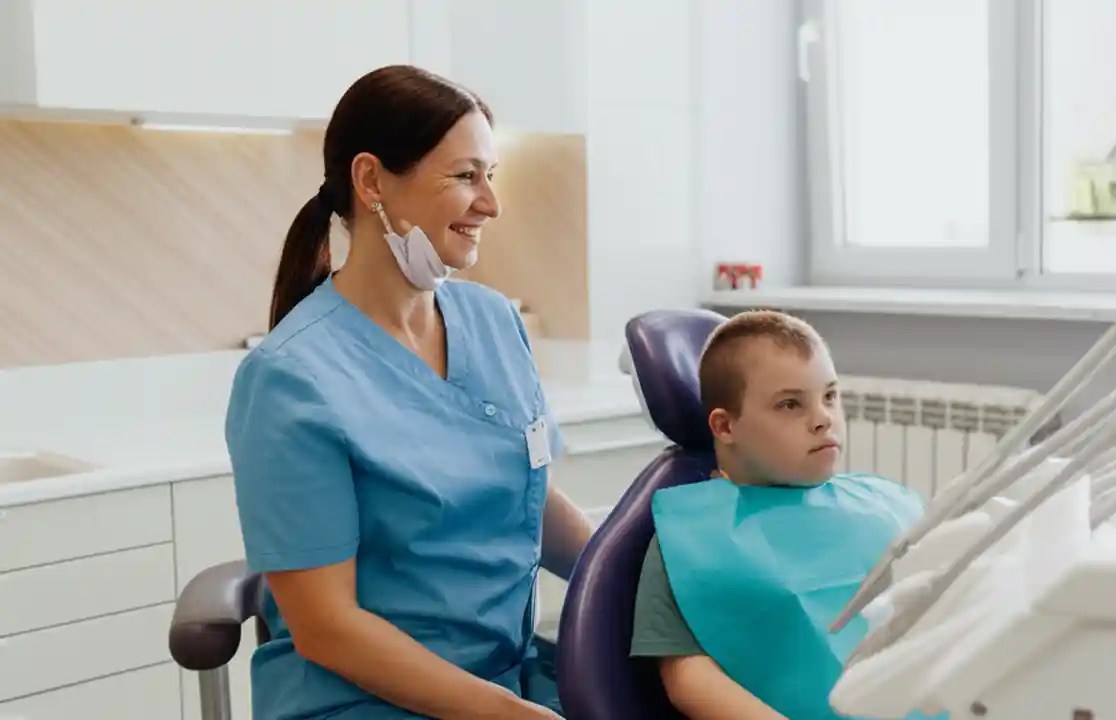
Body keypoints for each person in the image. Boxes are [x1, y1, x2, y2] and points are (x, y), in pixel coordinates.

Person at [224, 65, 594, 720]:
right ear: (371, 182)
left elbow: (530, 499)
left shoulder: (494, 321)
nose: (491, 203)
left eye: (490, 175)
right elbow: (326, 627)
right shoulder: (292, 379)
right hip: (360, 699)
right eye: (464, 176)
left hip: (504, 682)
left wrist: (646, 585)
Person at [629, 311, 942, 720]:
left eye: (830, 396)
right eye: (790, 404)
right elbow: (687, 677)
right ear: (725, 426)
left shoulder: (881, 503)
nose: (823, 418)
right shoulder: (689, 538)